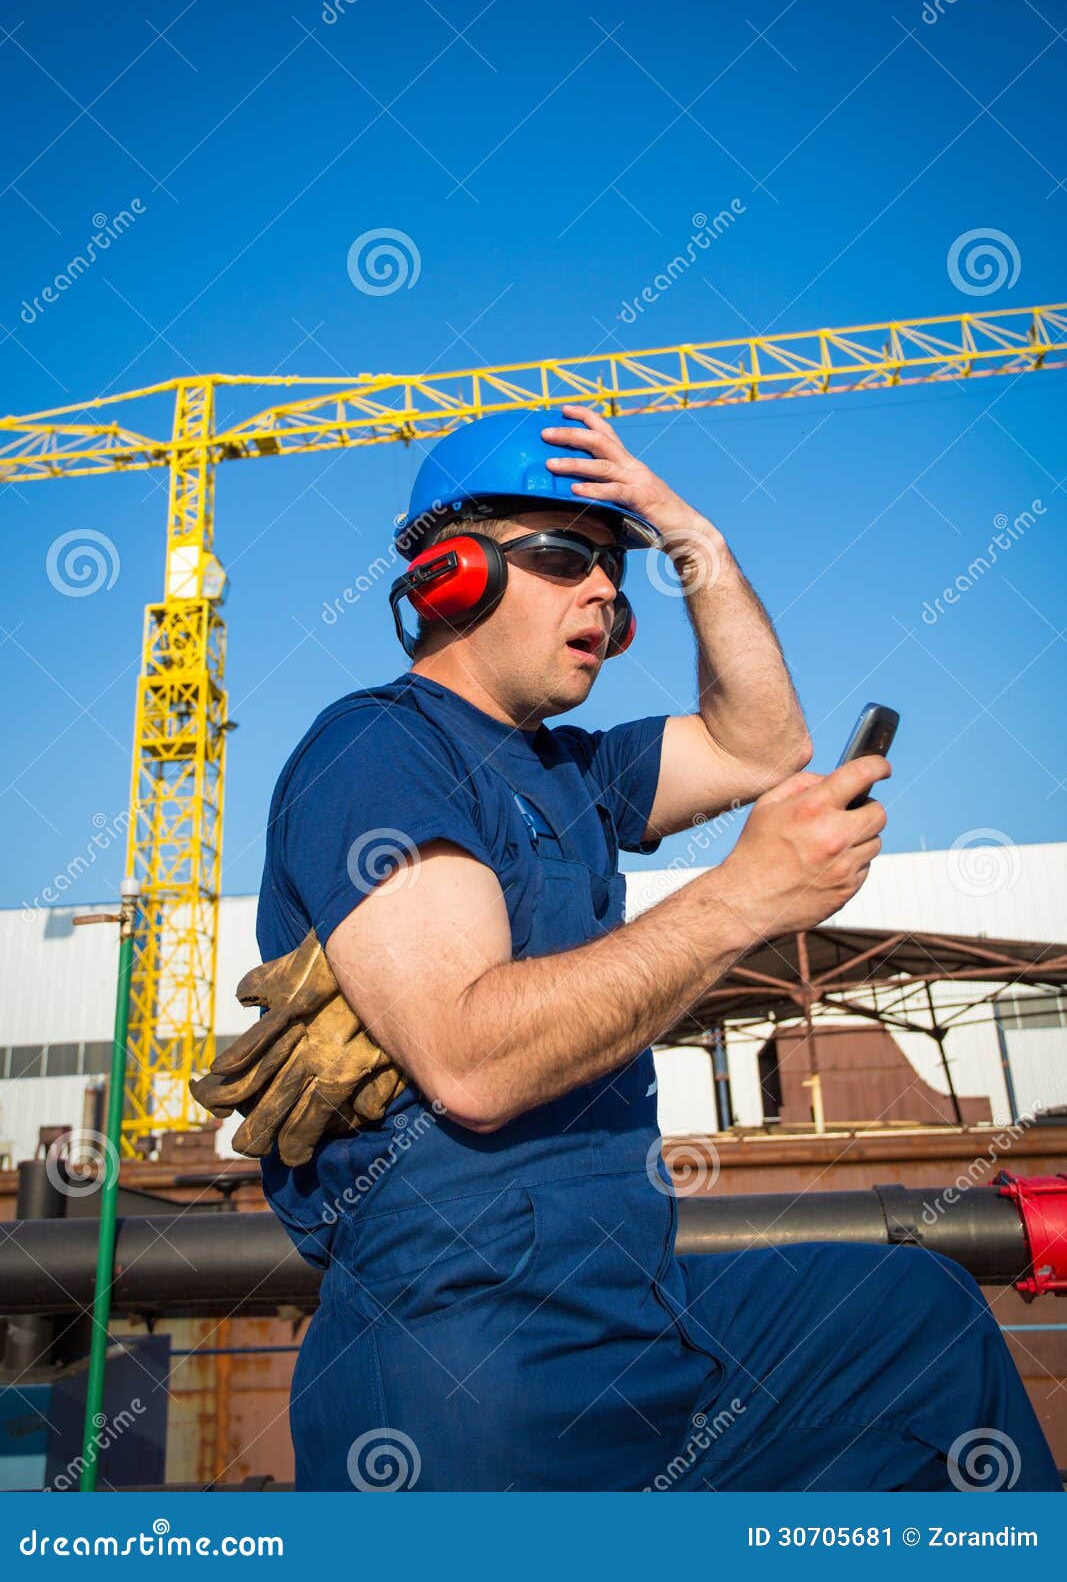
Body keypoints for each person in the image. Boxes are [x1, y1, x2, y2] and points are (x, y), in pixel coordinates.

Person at [252, 405, 1060, 1492]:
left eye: (615, 568)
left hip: (634, 1302)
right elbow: (469, 1060)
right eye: (563, 554)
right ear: (450, 575)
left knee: (910, 1316)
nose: (602, 590)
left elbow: (762, 742)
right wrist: (739, 899)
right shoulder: (377, 750)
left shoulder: (572, 770)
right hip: (470, 1342)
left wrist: (694, 543)